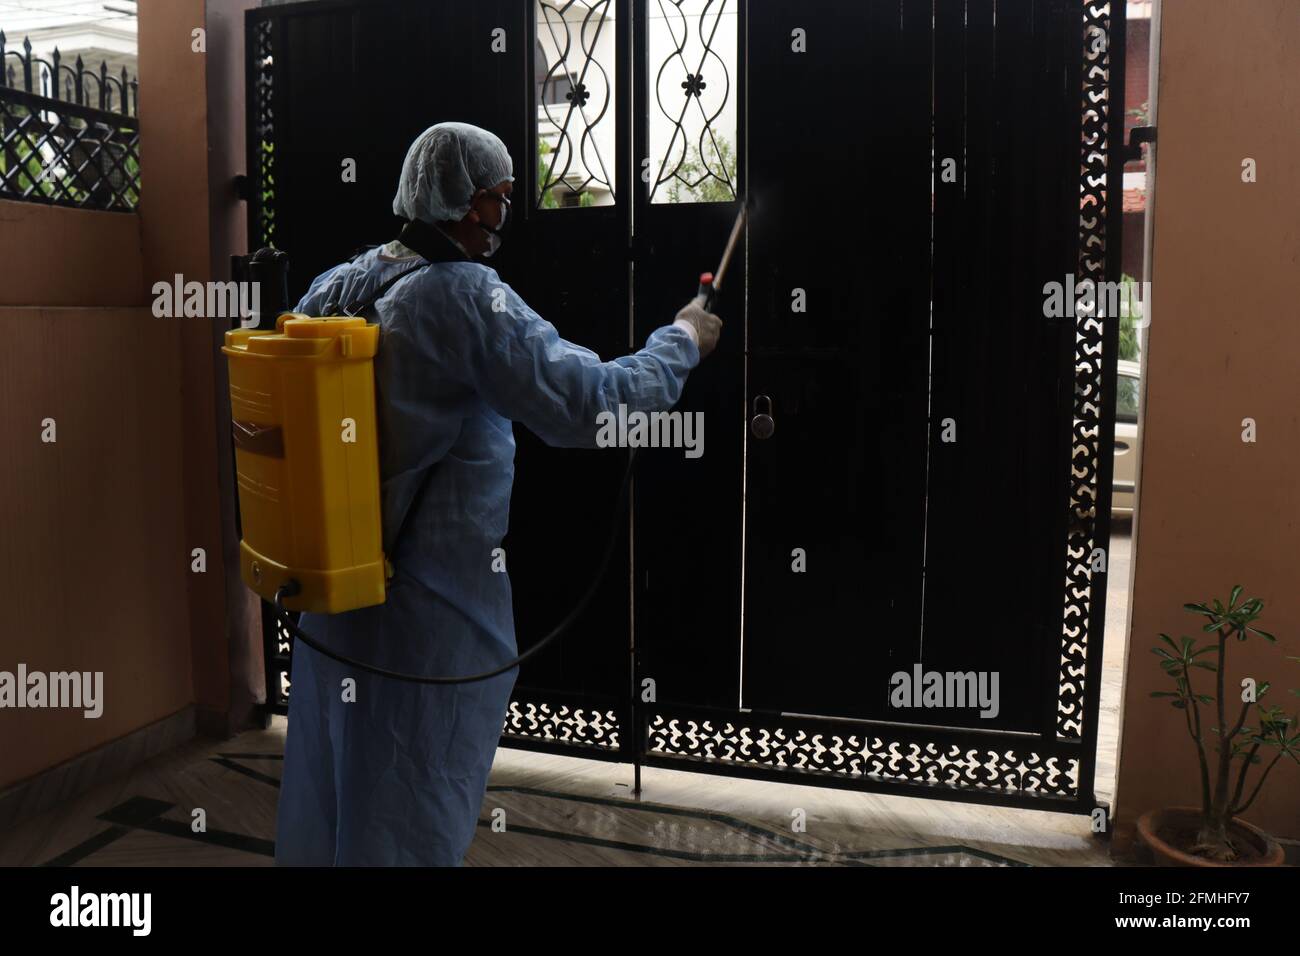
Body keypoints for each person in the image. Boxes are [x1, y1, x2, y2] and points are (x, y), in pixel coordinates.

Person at [274, 122, 721, 866]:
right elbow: (595, 405)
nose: (502, 219)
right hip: (425, 612)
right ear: (461, 199)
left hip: (336, 604)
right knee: (408, 802)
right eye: (498, 199)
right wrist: (681, 339)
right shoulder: (462, 299)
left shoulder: (341, 283)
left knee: (336, 793)